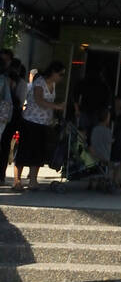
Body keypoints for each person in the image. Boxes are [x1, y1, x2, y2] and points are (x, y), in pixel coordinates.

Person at [12, 61, 66, 192]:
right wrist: (57, 106)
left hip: (44, 123)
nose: (62, 77)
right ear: (53, 72)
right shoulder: (39, 82)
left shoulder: (52, 84)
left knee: (38, 152)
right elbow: (39, 100)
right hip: (30, 121)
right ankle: (17, 181)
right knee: (24, 150)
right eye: (61, 74)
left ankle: (33, 181)